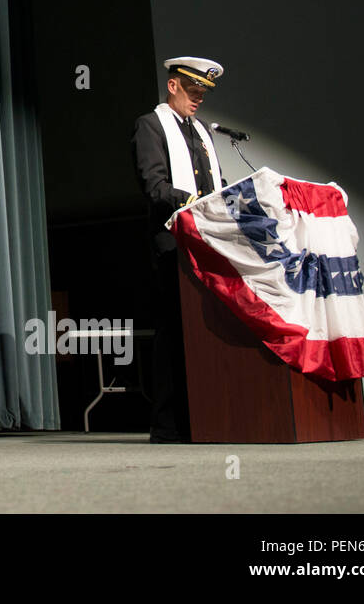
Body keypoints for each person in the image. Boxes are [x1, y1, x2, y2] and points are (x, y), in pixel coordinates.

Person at [130, 56, 225, 444]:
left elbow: (216, 184)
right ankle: (168, 424)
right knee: (173, 330)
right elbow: (154, 186)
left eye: (203, 92)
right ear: (173, 86)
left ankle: (206, 416)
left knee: (207, 331)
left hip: (209, 241)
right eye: (193, 90)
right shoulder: (151, 125)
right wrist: (194, 200)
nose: (198, 97)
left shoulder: (202, 131)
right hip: (173, 242)